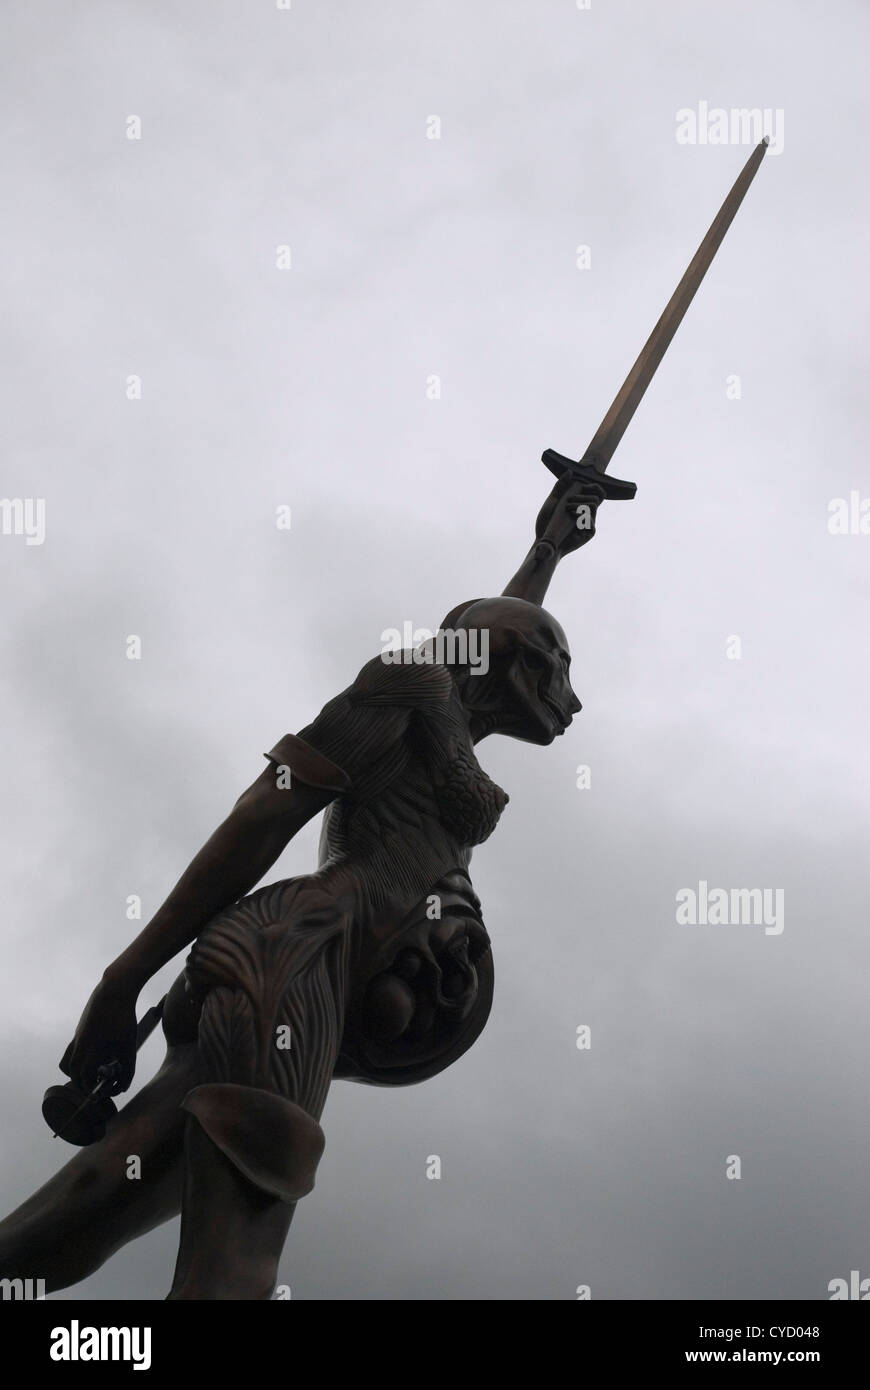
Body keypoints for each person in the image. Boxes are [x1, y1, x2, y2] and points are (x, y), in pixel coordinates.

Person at [0, 472, 603, 1299]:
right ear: (514, 662)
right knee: (235, 1266)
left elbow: (483, 633)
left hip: (322, 973)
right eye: (557, 666)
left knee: (90, 1205)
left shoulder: (453, 715)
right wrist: (122, 980)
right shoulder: (406, 683)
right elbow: (261, 818)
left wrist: (547, 548)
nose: (572, 697)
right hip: (297, 961)